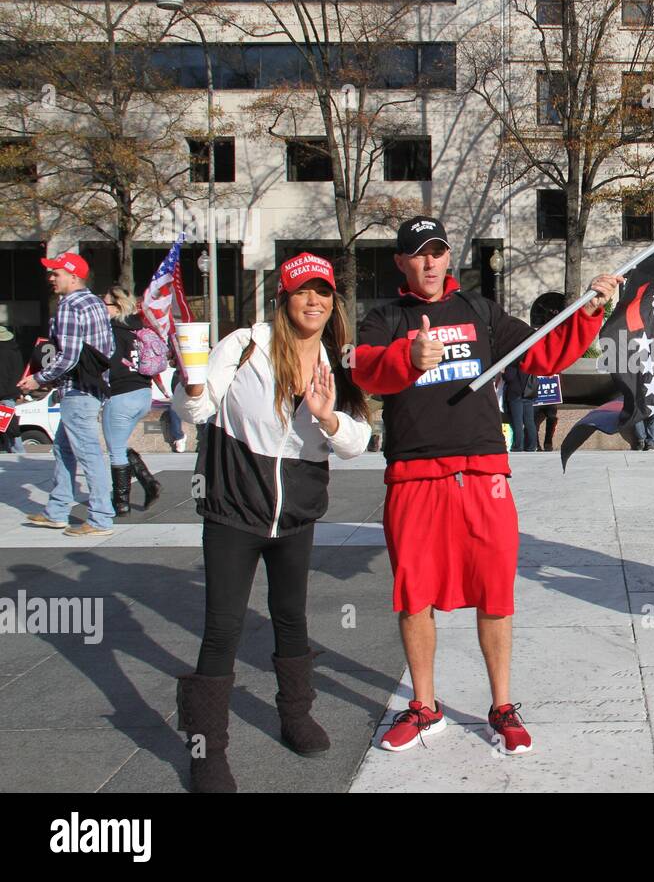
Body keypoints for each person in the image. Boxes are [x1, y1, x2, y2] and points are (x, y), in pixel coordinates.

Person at [351, 215, 621, 756]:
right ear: (401, 262)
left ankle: (501, 705)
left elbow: (543, 354)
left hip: (482, 472)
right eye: (417, 254)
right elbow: (364, 372)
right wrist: (407, 356)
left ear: (449, 256)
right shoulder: (384, 318)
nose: (429, 262)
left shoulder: (480, 310)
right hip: (414, 474)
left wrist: (590, 310)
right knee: (414, 595)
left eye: (438, 251)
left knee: (495, 591)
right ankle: (425, 707)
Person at [174, 253, 371, 793]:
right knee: (222, 629)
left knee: (291, 617)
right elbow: (198, 412)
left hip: (297, 514)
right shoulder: (243, 347)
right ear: (283, 297)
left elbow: (358, 442)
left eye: (324, 293)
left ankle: (295, 714)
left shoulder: (336, 359)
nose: (315, 301)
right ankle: (207, 751)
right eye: (304, 291)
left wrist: (328, 416)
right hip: (234, 508)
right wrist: (190, 384)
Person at [19, 251, 116, 536]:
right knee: (63, 449)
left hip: (77, 391)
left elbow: (69, 355)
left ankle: (100, 518)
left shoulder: (69, 305)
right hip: (91, 387)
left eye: (56, 273)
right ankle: (57, 511)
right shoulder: (96, 302)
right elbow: (108, 348)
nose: (51, 278)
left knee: (88, 454)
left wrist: (39, 379)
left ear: (73, 277)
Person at [101, 287, 163, 514]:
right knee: (118, 443)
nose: (101, 308)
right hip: (144, 393)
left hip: (121, 394)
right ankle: (148, 482)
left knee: (115, 449)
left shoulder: (111, 330)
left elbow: (107, 362)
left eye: (104, 304)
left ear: (117, 307)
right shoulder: (139, 328)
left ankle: (121, 502)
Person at [0, 325, 26, 454]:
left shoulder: (2, 353)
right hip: (11, 393)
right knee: (9, 426)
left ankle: (18, 452)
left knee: (9, 427)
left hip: (3, 394)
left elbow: (2, 376)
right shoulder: (15, 350)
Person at [502, 363, 539, 452]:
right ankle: (532, 446)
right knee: (529, 421)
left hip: (515, 394)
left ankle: (518, 446)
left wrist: (503, 372)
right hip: (528, 393)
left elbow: (509, 377)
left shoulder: (513, 363)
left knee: (517, 421)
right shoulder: (529, 363)